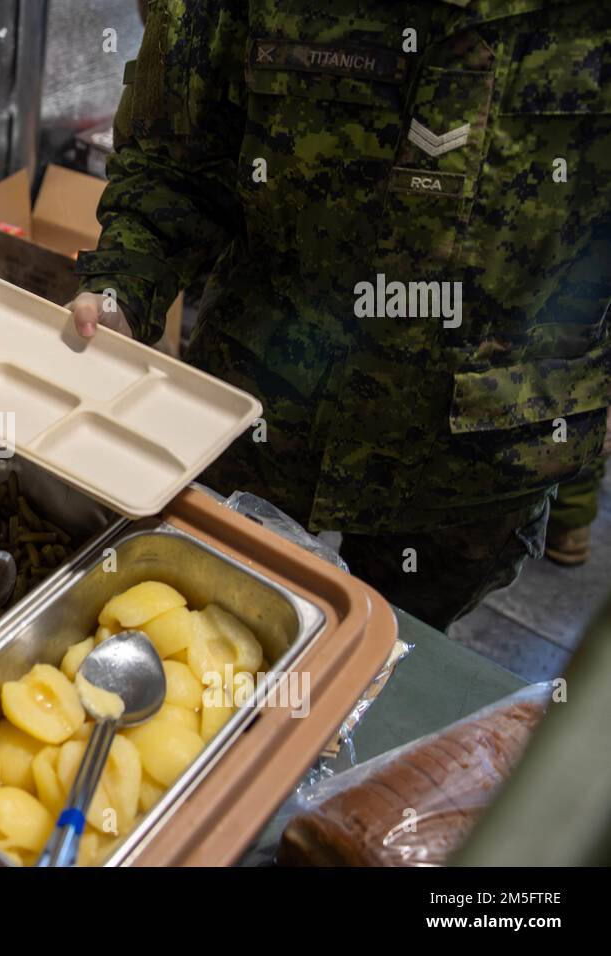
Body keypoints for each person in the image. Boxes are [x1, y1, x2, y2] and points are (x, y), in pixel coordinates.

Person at [71, 0, 611, 629]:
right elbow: (178, 160)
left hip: (476, 460)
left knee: (394, 658)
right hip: (261, 402)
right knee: (208, 631)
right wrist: (122, 290)